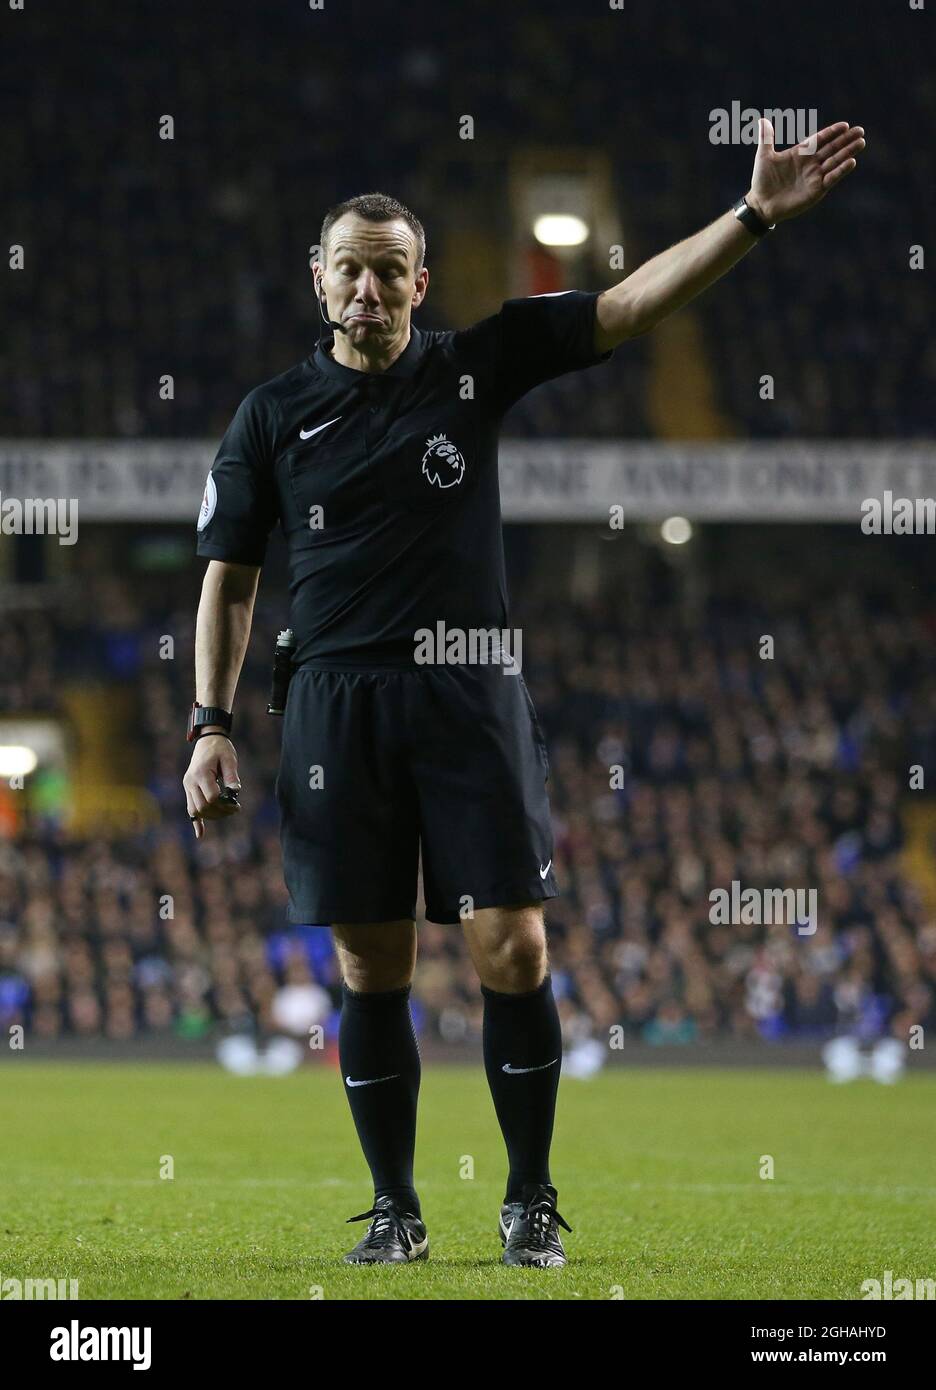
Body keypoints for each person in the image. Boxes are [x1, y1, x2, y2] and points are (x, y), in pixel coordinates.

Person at [183, 118, 864, 1267]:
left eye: (389, 268)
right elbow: (229, 584)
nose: (367, 286)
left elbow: (629, 305)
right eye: (347, 266)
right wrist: (208, 724)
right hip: (335, 708)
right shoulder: (268, 417)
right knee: (369, 965)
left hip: (468, 695)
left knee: (515, 950)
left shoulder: (473, 363)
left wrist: (752, 216)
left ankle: (528, 1199)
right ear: (319, 279)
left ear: (420, 281)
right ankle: (396, 1210)